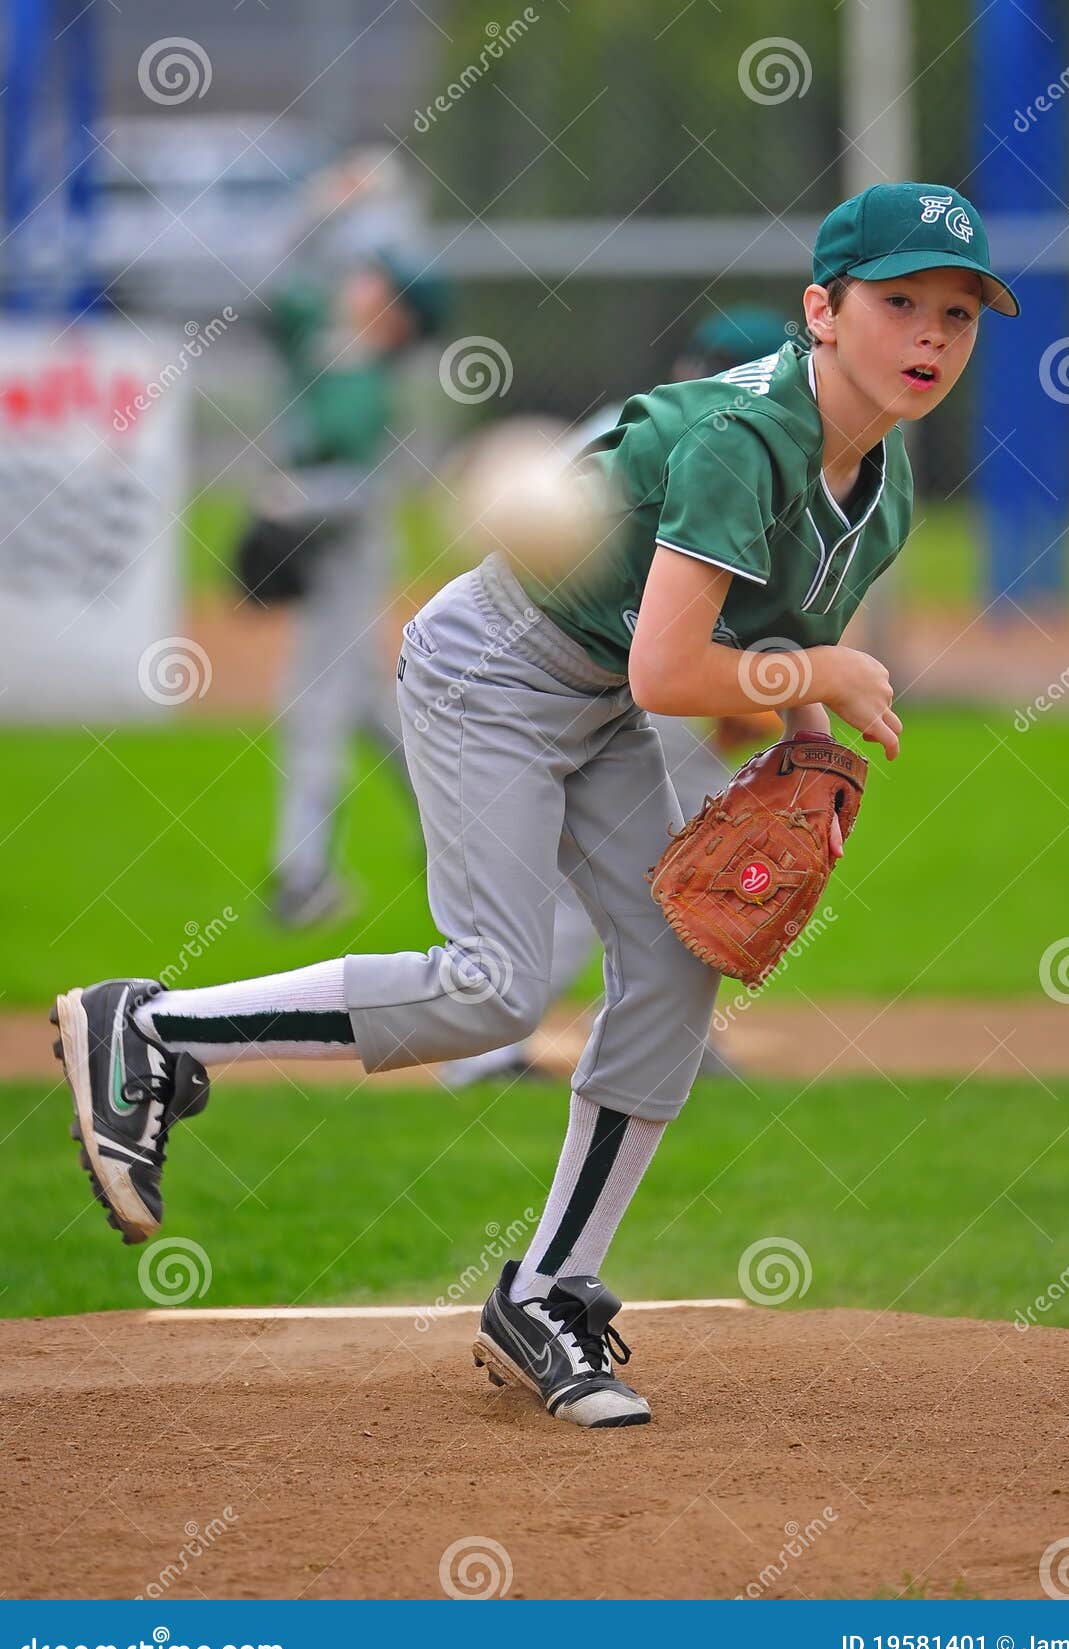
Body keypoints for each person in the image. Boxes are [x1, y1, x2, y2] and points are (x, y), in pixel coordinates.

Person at [50, 183, 1017, 1430]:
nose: (930, 335)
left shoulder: (878, 491)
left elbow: (751, 659)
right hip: (494, 670)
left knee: (674, 966)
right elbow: (677, 672)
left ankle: (545, 1293)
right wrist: (822, 678)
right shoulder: (740, 438)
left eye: (957, 311)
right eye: (899, 304)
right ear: (822, 310)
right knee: (496, 984)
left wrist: (811, 753)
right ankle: (156, 1029)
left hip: (600, 699)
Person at [438, 305, 792, 1089]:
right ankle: (500, 1053)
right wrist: (747, 706)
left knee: (651, 865)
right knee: (669, 866)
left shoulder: (637, 420)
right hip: (616, 679)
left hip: (572, 672)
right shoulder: (731, 449)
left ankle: (660, 1040)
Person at [259, 154, 449, 927]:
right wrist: (323, 201)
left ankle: (304, 879)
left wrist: (284, 503)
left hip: (351, 551)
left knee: (316, 707)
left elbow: (363, 488)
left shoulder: (379, 377)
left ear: (398, 312)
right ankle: (458, 826)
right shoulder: (334, 344)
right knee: (369, 709)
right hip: (323, 546)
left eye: (376, 280)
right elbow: (276, 280)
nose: (358, 281)